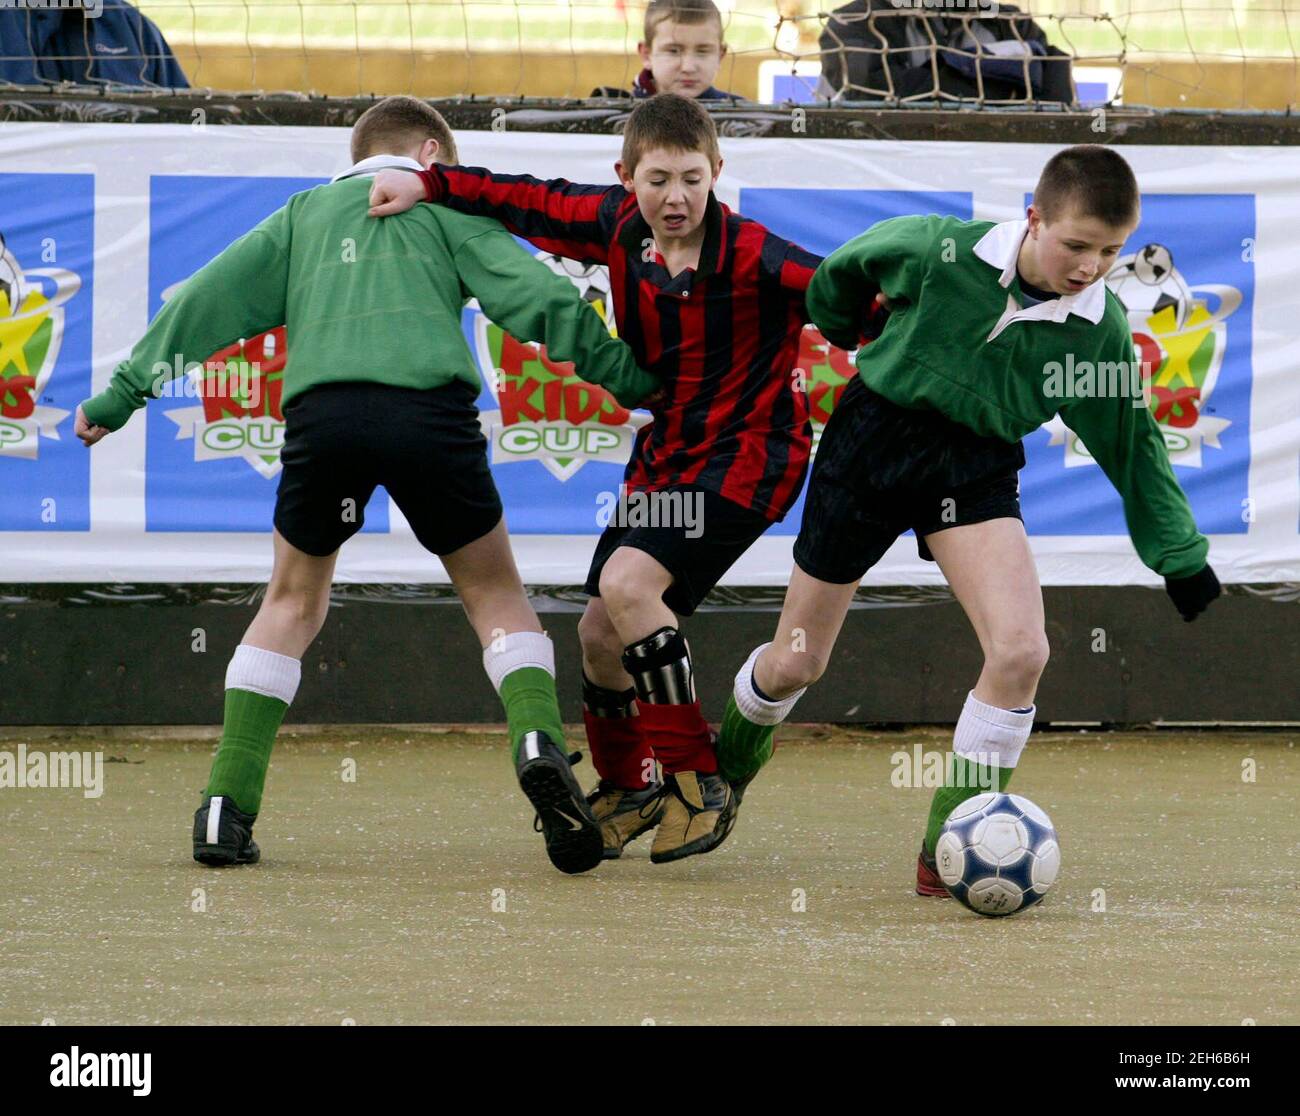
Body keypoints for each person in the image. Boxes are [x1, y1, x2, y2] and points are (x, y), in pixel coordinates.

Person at [74, 96, 659, 877]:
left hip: (325, 422)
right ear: (428, 153)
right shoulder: (444, 204)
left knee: (290, 602)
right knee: (494, 596)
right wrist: (634, 381)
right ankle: (536, 743)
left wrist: (120, 396)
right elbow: (541, 300)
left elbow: (203, 304)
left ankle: (225, 806)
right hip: (430, 420)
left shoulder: (303, 217)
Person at [712, 145, 1221, 891]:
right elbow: (838, 277)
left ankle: (944, 851)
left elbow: (1132, 445)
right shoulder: (937, 249)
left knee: (1021, 652)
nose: (1089, 266)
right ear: (1033, 218)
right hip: (870, 447)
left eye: (1110, 252)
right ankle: (720, 777)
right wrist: (848, 326)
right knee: (797, 660)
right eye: (1076, 245)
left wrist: (1178, 555)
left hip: (973, 467)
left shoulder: (1099, 331)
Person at [367, 93, 835, 864]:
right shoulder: (616, 225)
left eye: (691, 178)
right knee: (596, 635)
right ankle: (630, 785)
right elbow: (524, 199)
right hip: (670, 453)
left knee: (626, 588)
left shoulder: (758, 254)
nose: (675, 197)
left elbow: (850, 294)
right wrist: (431, 184)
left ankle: (697, 780)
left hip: (749, 459)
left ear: (717, 171)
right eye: (656, 180)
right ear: (626, 178)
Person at [591, 0, 742, 101]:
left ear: (720, 56)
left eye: (702, 52)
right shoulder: (616, 109)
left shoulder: (741, 114)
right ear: (646, 55)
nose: (688, 67)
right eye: (673, 51)